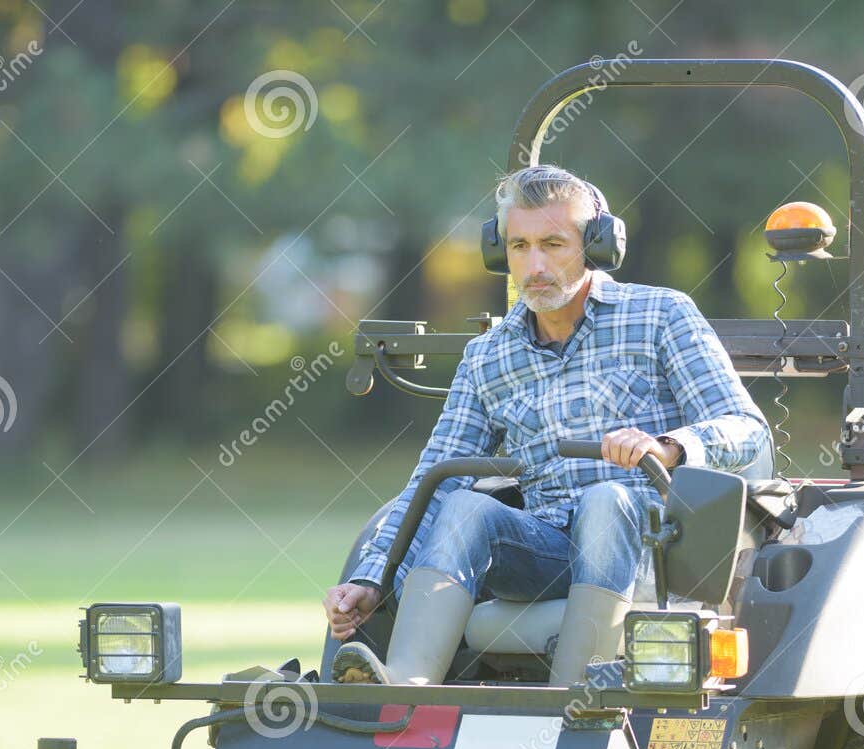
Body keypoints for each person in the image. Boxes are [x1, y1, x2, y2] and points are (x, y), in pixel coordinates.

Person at [322, 164, 768, 686]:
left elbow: (747, 428)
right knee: (464, 504)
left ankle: (578, 696)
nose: (534, 264)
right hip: (548, 552)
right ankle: (404, 684)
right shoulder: (487, 356)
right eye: (519, 246)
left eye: (553, 244)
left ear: (595, 246)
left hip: (658, 553)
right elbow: (432, 483)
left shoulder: (661, 315)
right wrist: (371, 580)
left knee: (607, 498)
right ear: (499, 251)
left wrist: (668, 446)